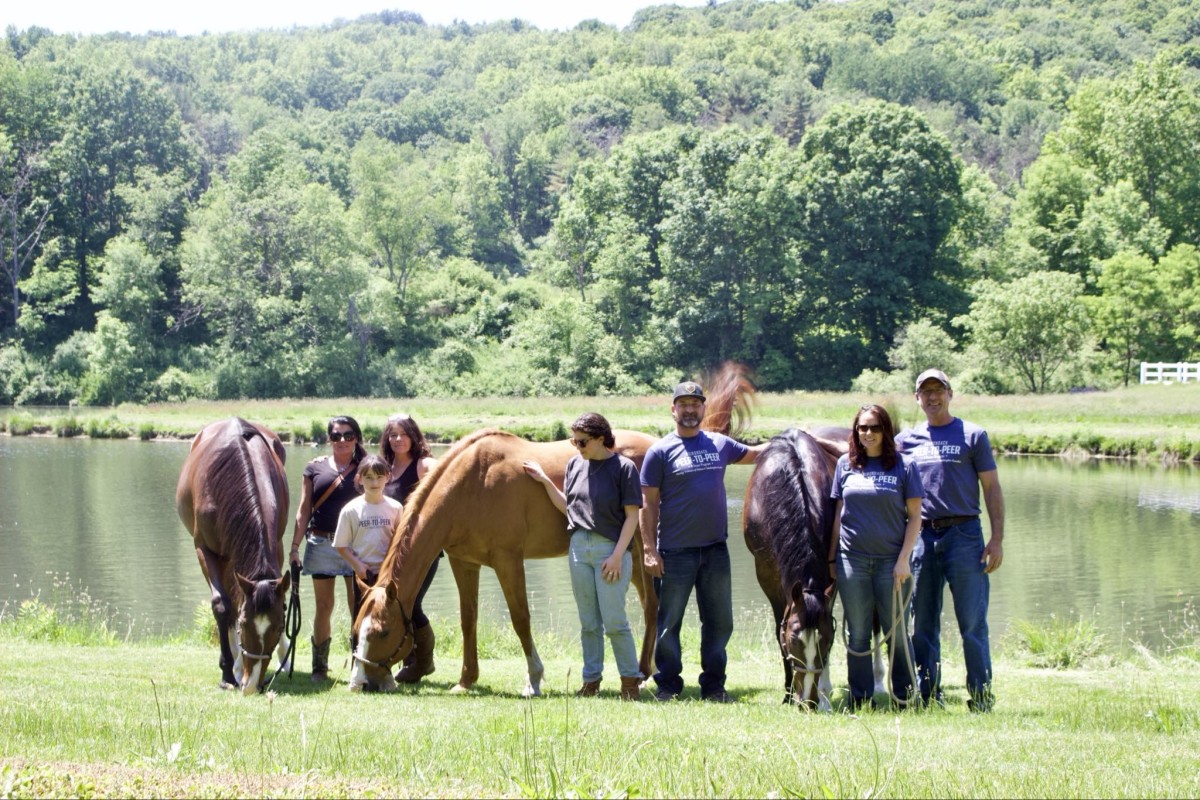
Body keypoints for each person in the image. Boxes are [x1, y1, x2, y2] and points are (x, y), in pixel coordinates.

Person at [640, 381, 763, 703]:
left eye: (695, 404)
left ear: (704, 408)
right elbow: (647, 505)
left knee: (720, 622)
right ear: (673, 409)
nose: (690, 409)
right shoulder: (660, 452)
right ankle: (668, 685)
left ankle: (714, 686)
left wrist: (795, 439)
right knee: (668, 624)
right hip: (674, 552)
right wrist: (650, 550)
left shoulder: (720, 444)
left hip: (715, 551)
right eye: (684, 404)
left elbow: (756, 455)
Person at [896, 368, 1006, 712]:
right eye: (925, 392)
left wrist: (997, 538)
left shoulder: (973, 435)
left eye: (938, 391)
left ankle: (982, 697)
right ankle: (928, 696)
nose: (932, 397)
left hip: (965, 535)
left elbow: (991, 488)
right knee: (923, 623)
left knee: (973, 622)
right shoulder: (905, 441)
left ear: (950, 393)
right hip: (922, 537)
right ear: (917, 398)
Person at [523, 413, 645, 700]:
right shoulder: (575, 465)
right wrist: (544, 481)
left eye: (582, 441)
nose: (576, 446)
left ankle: (630, 682)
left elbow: (632, 517)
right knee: (588, 622)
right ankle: (591, 681)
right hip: (578, 549)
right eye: (573, 440)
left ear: (601, 439)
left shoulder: (624, 468)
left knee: (615, 621)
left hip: (609, 551)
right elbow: (571, 509)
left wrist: (617, 555)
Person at [828, 404, 923, 710]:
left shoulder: (905, 467)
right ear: (855, 432)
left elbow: (915, 519)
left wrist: (904, 559)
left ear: (886, 431)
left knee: (896, 632)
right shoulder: (845, 465)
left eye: (874, 427)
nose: (868, 434)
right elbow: (838, 515)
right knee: (857, 633)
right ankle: (861, 699)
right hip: (851, 561)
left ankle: (904, 698)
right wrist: (832, 559)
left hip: (891, 564)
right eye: (862, 428)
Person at [289, 415, 365, 682]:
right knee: (323, 606)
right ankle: (319, 668)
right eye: (336, 436)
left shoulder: (366, 467)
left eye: (347, 435)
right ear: (328, 439)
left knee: (359, 605)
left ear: (356, 437)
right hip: (321, 542)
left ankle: (360, 663)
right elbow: (303, 510)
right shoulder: (314, 468)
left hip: (356, 546)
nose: (342, 440)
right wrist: (295, 547)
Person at [379, 413, 439, 683]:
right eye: (393, 435)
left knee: (411, 604)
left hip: (423, 551)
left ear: (414, 436)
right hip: (391, 552)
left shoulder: (424, 465)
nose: (398, 439)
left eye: (403, 434)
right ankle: (405, 658)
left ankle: (422, 661)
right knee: (395, 604)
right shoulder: (386, 467)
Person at [335, 454, 403, 649]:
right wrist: (358, 566)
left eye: (379, 477)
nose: (375, 482)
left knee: (389, 619)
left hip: (388, 576)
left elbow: (399, 543)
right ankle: (357, 663)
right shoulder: (351, 510)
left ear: (388, 477)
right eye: (369, 477)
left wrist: (390, 568)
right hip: (363, 575)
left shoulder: (395, 507)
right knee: (361, 618)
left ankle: (388, 662)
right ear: (359, 479)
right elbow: (341, 545)